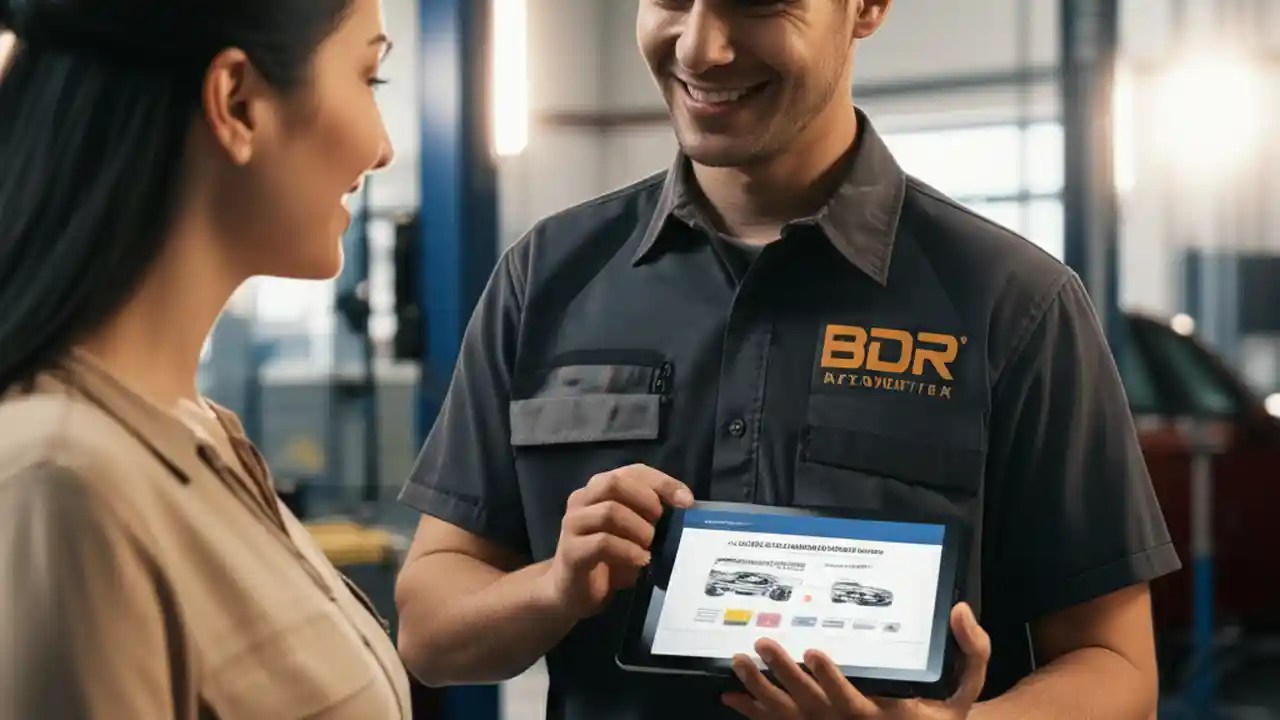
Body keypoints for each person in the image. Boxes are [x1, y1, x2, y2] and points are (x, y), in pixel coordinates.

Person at [394, 0, 1179, 717]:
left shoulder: (1014, 303)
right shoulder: (548, 279)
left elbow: (1115, 668)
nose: (702, 48)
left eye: (758, 5)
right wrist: (557, 587)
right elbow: (429, 633)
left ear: (866, 9)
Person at [0, 1, 409, 717]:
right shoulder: (65, 485)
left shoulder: (205, 436)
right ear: (237, 103)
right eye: (369, 78)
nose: (383, 149)